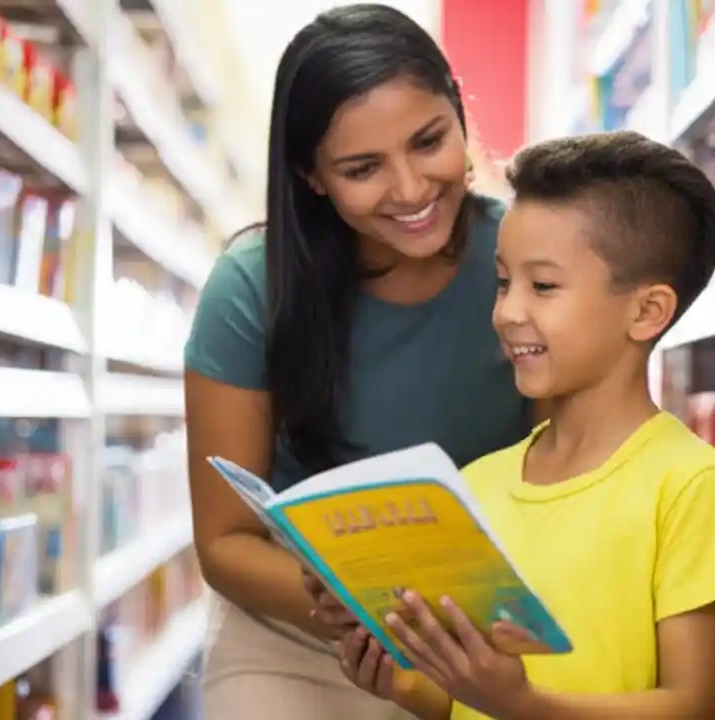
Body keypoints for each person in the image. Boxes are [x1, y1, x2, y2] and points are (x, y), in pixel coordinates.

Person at [331, 131, 715, 719]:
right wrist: (401, 679)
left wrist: (524, 705)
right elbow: (461, 705)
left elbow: (694, 707)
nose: (508, 312)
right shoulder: (475, 487)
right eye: (504, 282)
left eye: (544, 286)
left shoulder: (688, 484)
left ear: (646, 311)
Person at [182, 4, 536, 718]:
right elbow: (223, 543)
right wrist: (349, 599)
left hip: (483, 644)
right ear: (312, 176)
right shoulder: (254, 286)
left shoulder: (528, 257)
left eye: (428, 140)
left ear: (459, 114)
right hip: (299, 638)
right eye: (362, 168)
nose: (409, 189)